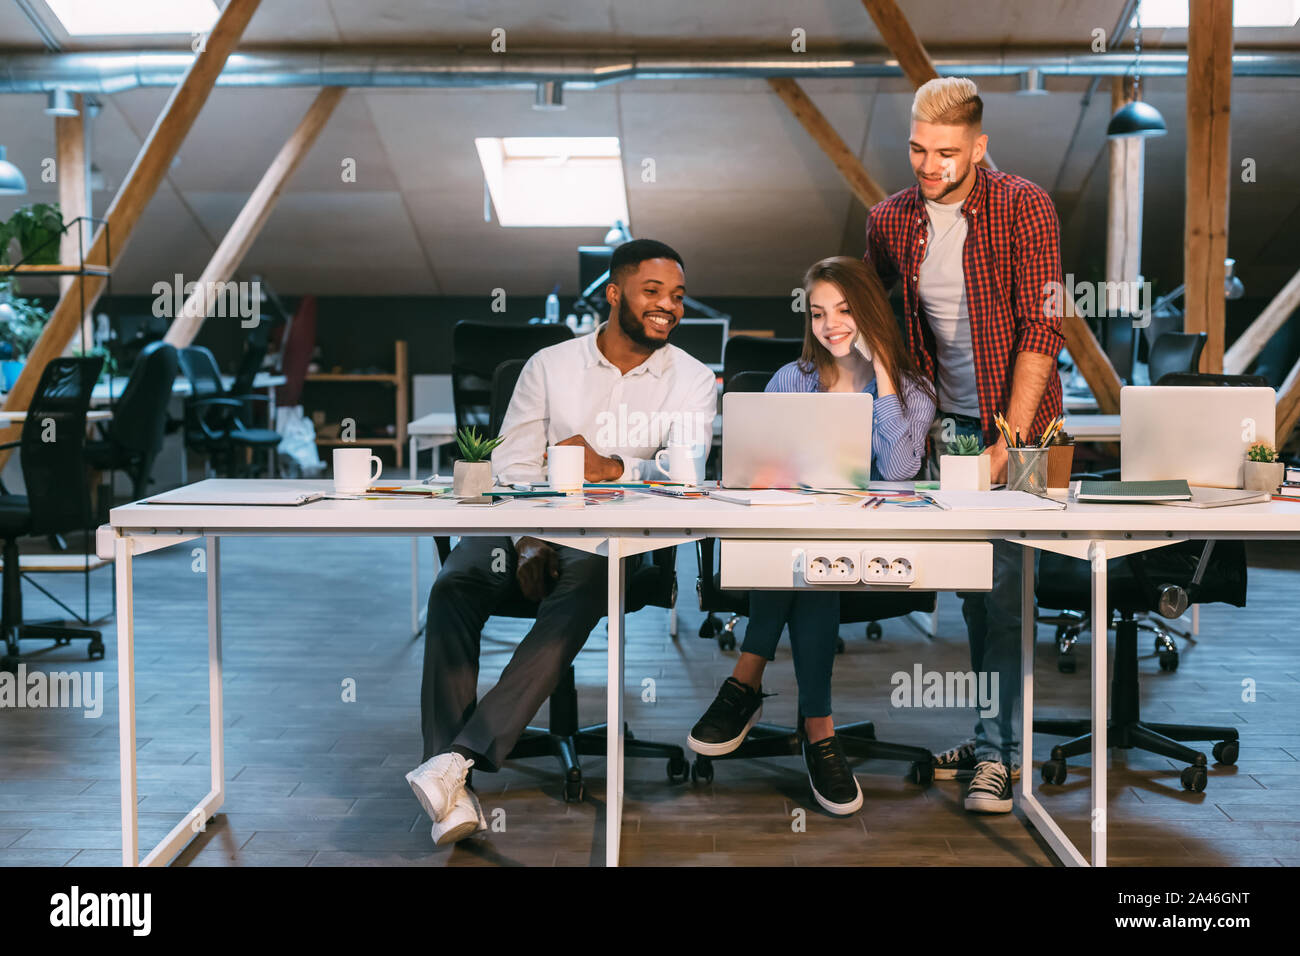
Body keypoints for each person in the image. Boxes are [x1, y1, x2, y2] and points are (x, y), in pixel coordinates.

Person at [407, 239, 717, 845]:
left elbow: (686, 473)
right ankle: (452, 794)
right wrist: (528, 535)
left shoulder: (694, 379)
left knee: (588, 579)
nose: (668, 307)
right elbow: (513, 465)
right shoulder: (550, 365)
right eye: (652, 291)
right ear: (614, 293)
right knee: (454, 586)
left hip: (614, 540)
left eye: (677, 296)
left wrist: (611, 464)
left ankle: (456, 762)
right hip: (525, 526)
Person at [864, 76, 1064, 813]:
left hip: (1021, 425)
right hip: (943, 424)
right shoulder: (888, 219)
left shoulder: (1023, 205)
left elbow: (1045, 326)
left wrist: (1007, 439)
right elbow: (878, 323)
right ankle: (993, 735)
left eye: (946, 152)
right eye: (918, 148)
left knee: (1009, 591)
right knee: (974, 592)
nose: (929, 165)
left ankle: (1000, 756)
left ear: (979, 147)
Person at [686, 256, 934, 816]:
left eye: (846, 310)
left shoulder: (913, 388)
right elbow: (757, 469)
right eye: (819, 312)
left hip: (874, 554)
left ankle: (744, 682)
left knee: (808, 559)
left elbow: (898, 471)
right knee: (806, 556)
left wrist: (884, 372)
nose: (830, 324)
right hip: (794, 547)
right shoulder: (791, 379)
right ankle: (821, 734)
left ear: (871, 311)